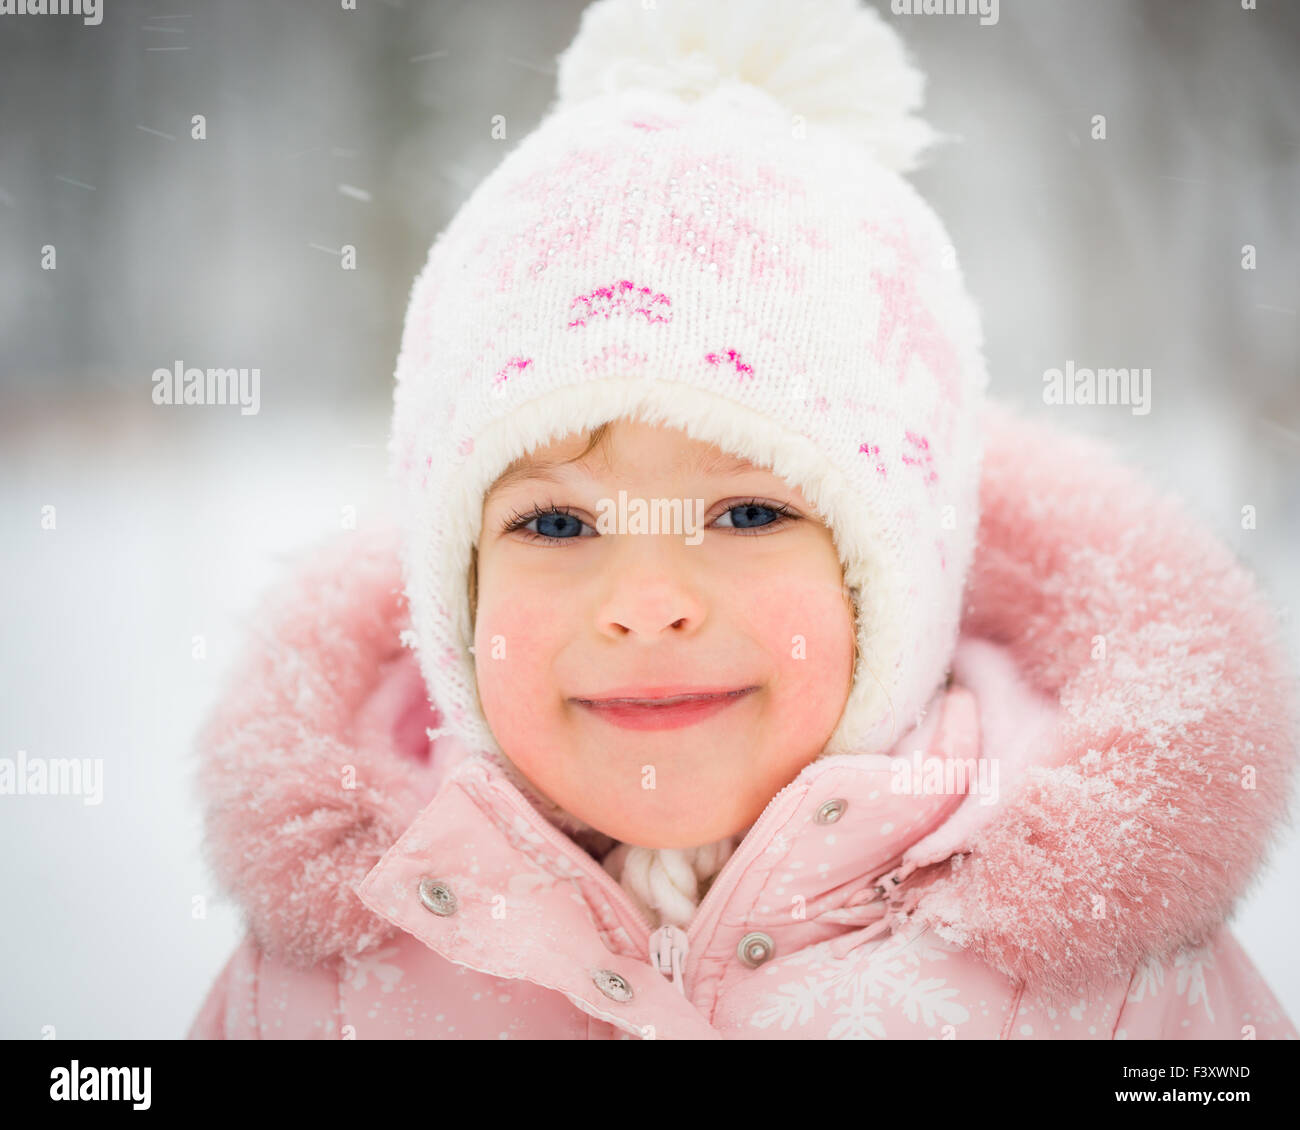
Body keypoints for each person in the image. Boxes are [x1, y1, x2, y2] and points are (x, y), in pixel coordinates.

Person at [187, 0, 1297, 1039]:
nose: (647, 604)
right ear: (454, 590)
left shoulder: (1096, 979)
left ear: (898, 580)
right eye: (558, 526)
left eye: (749, 508)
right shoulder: (333, 975)